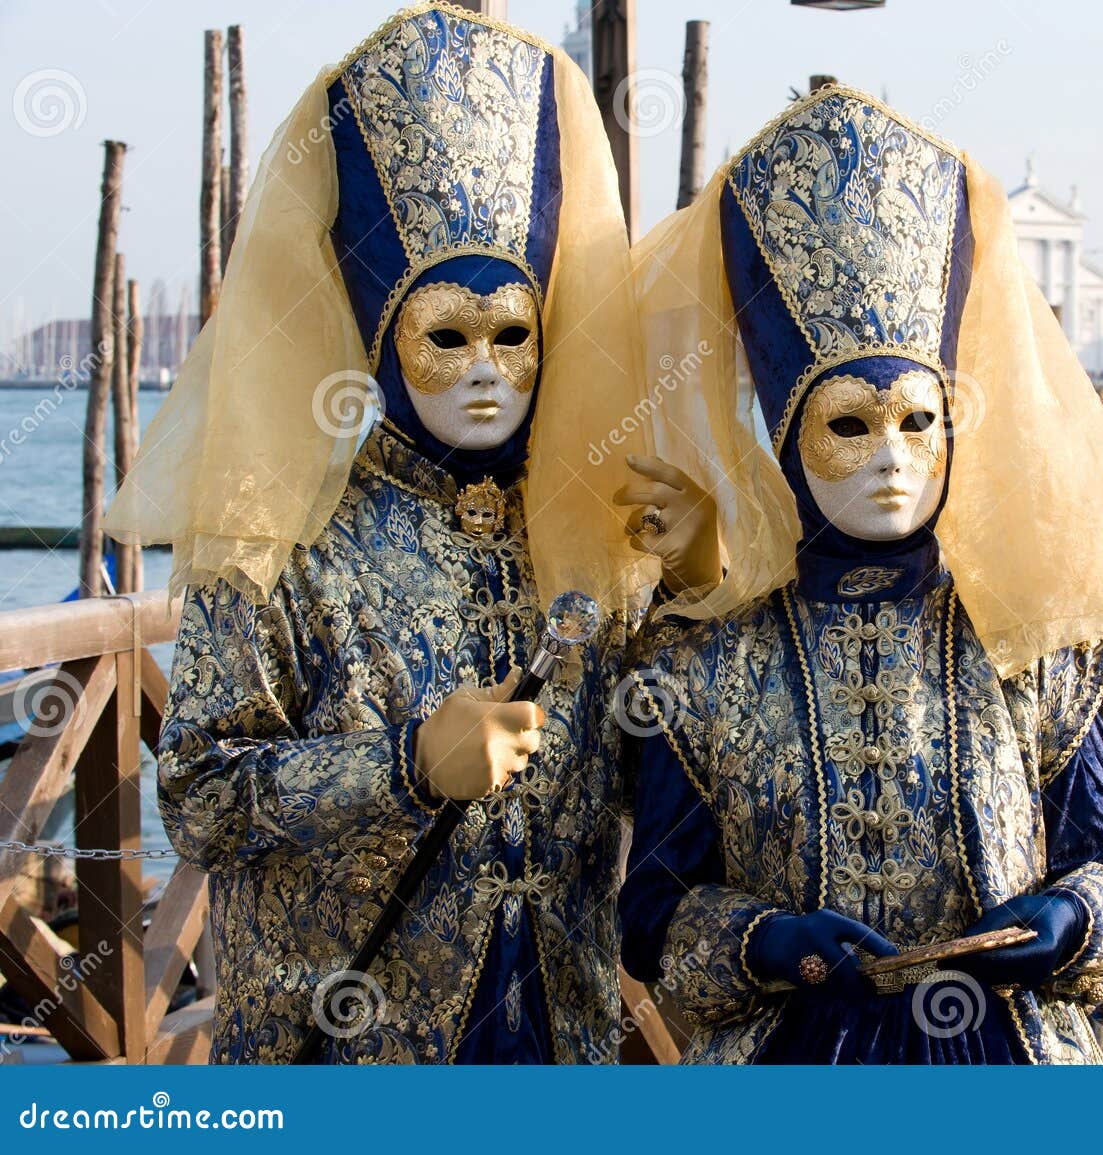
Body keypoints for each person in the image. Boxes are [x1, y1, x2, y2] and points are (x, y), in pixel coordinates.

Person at [106, 4, 717, 1064]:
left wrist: (696, 588)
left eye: (514, 334)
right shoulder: (280, 533)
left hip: (557, 1034)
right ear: (379, 333)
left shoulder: (587, 519)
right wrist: (404, 767)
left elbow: (665, 777)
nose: (486, 368)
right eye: (447, 334)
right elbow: (200, 794)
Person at [618, 84, 1103, 1063]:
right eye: (850, 424)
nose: (892, 459)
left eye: (917, 422)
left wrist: (1070, 925)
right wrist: (771, 947)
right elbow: (655, 920)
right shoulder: (706, 652)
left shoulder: (1021, 630)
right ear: (790, 437)